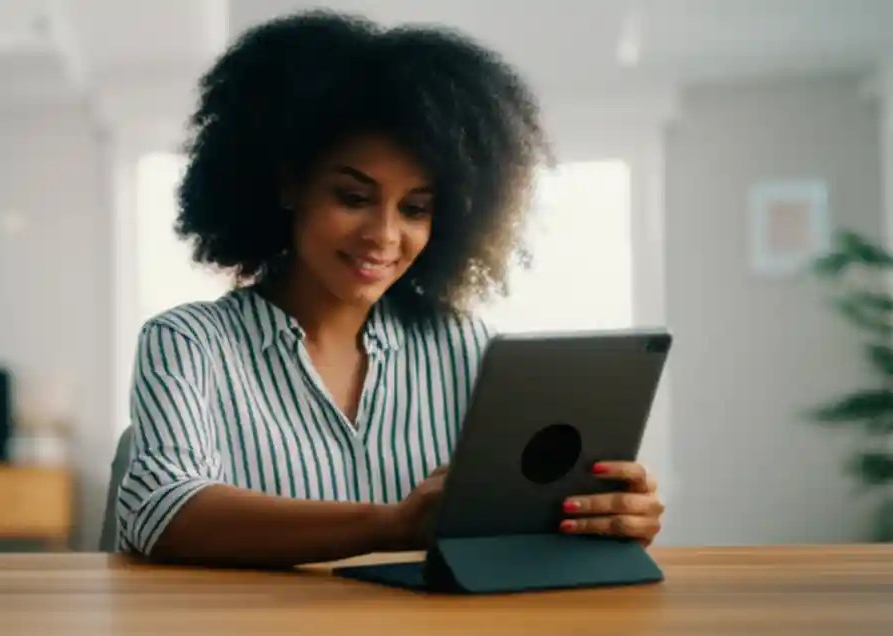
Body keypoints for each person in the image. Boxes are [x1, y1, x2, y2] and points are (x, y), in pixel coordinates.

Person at [115, 10, 664, 567]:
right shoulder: (188, 342)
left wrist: (598, 517)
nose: (384, 235)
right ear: (287, 185)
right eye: (353, 198)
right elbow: (163, 512)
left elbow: (512, 524)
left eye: (415, 209)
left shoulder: (466, 347)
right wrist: (390, 524)